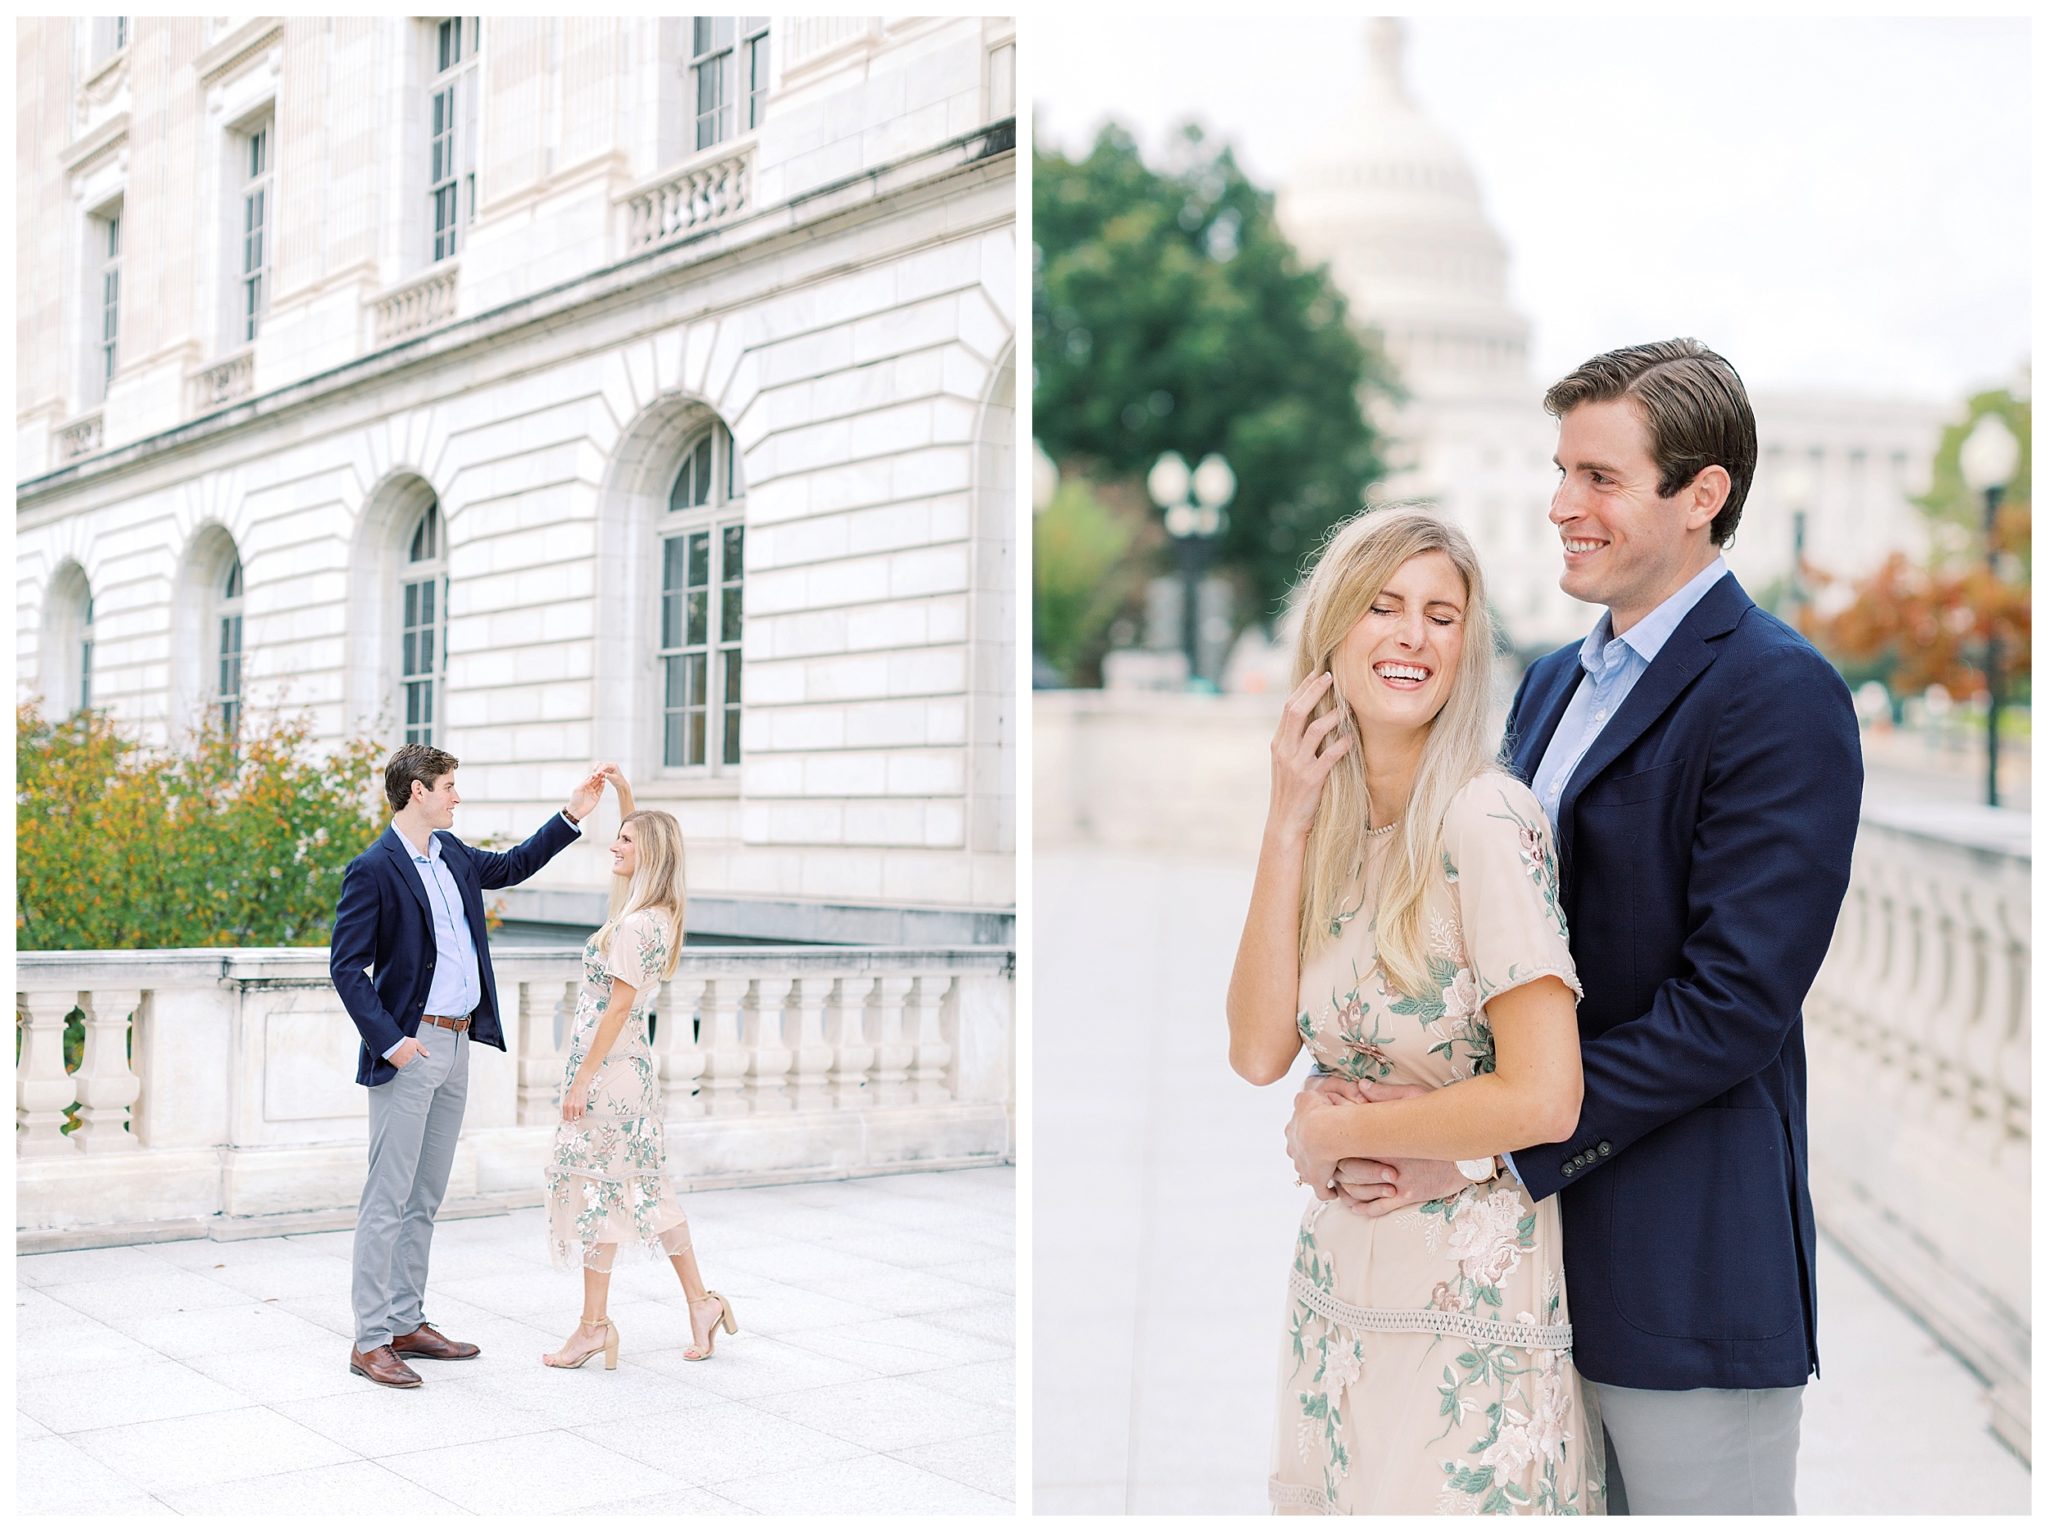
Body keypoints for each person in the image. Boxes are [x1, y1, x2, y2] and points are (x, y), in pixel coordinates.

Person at [1293, 339, 1862, 1514]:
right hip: (1517, 1280)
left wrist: (1481, 1135)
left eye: (1598, 478)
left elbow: (1732, 1007)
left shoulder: (1777, 691)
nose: (1561, 505)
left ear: (1700, 496)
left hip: (1680, 1267)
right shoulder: (1548, 684)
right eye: (1561, 472)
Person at [1231, 508, 1604, 1515]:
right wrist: (1284, 816)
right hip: (1342, 1281)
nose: (1410, 635)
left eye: (1441, 616)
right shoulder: (1329, 823)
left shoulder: (1484, 819)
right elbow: (1258, 1047)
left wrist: (1341, 1127)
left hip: (1468, 1303)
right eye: (1382, 607)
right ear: (1331, 633)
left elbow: (1546, 1093)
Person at [332, 744, 605, 1389]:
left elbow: (511, 866)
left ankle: (405, 1321)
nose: (457, 797)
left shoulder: (453, 854)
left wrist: (572, 814)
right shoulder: (372, 868)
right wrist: (391, 1041)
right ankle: (370, 1340)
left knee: (424, 1196)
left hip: (457, 1046)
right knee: (387, 1198)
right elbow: (347, 968)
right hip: (411, 1048)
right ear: (417, 792)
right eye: (449, 786)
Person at [540, 766, 737, 1370]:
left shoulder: (631, 924)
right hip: (632, 1072)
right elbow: (651, 836)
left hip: (608, 1072)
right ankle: (701, 1302)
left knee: (601, 1193)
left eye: (624, 840)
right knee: (648, 1189)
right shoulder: (657, 914)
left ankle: (593, 1326)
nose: (613, 844)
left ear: (646, 854)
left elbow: (619, 1005)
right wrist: (625, 798)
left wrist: (579, 1081)